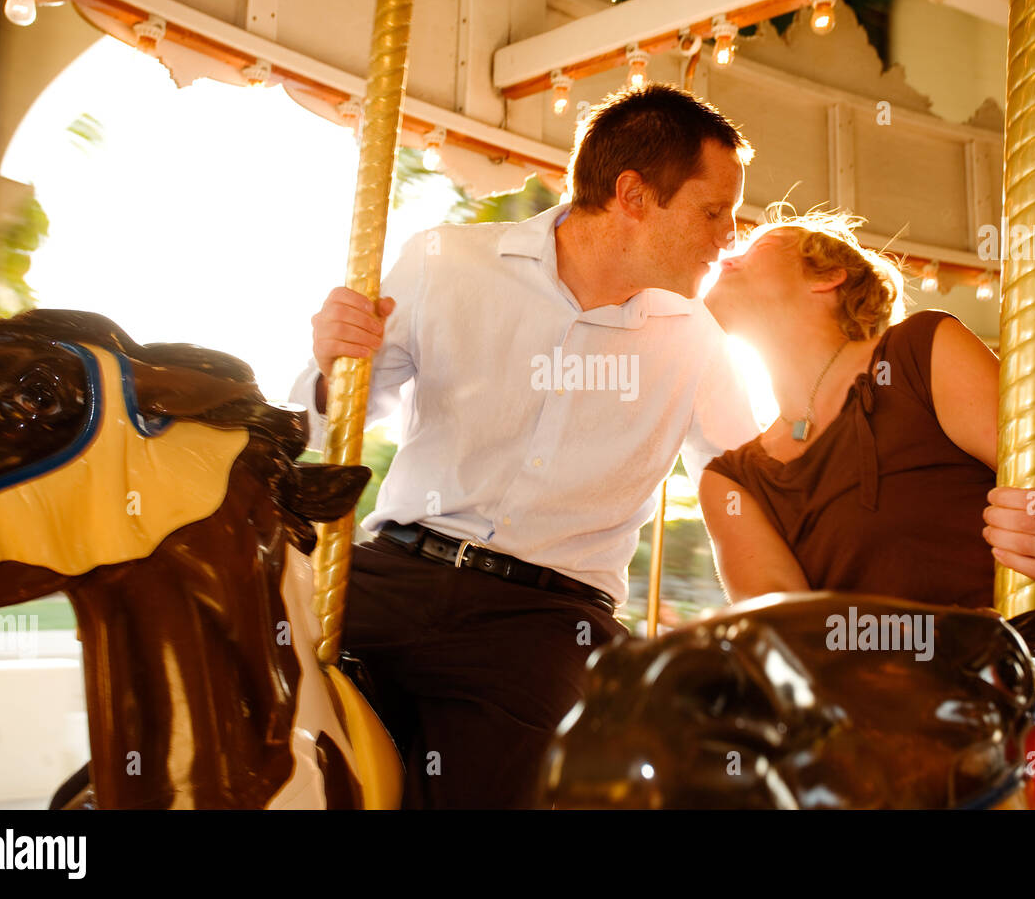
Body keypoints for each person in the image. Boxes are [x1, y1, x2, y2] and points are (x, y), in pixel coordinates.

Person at [289, 85, 761, 808]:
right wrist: (332, 361)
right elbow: (322, 424)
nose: (730, 235)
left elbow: (756, 489)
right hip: (391, 571)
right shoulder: (447, 263)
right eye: (712, 211)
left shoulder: (699, 343)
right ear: (632, 195)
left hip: (545, 623)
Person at [698, 207, 1035, 809]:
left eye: (751, 246)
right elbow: (786, 638)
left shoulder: (919, 354)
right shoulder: (735, 479)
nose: (728, 250)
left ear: (825, 275)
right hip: (887, 755)